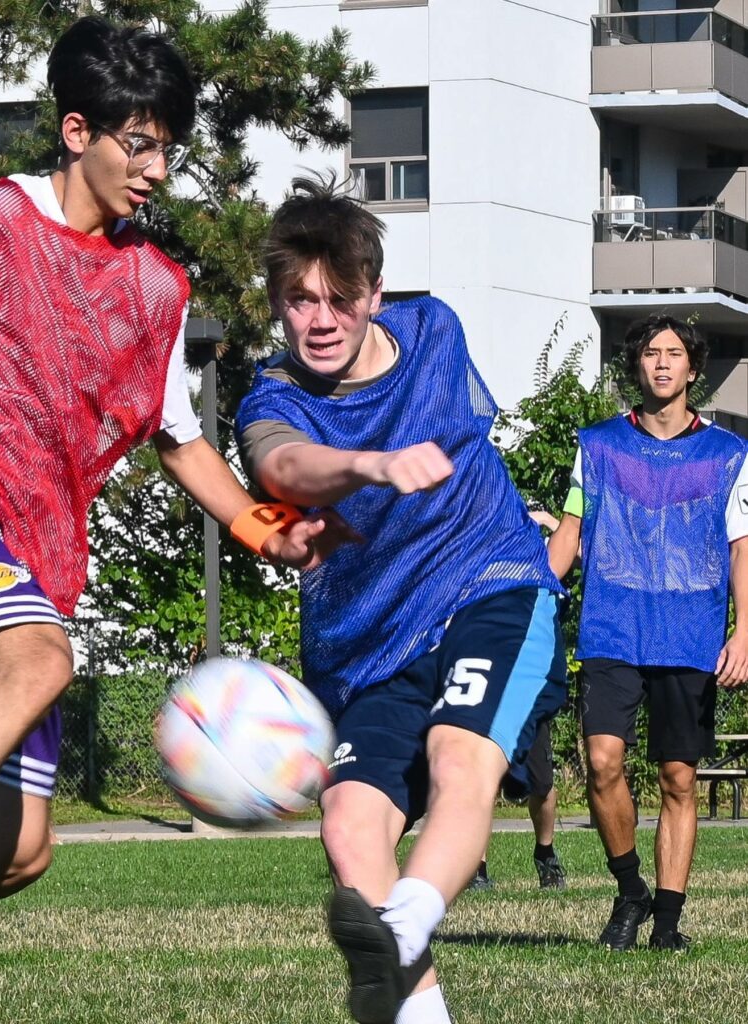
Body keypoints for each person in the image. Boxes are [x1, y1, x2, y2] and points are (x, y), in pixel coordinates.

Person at [0, 17, 348, 921]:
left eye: (170, 150)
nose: (157, 169)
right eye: (140, 144)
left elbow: (182, 442)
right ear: (77, 132)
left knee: (19, 847)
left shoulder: (156, 289)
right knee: (39, 661)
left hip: (34, 555)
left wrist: (269, 528)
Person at [236, 174, 568, 1024]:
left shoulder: (435, 333)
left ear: (375, 295)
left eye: (339, 299)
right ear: (277, 301)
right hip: (365, 645)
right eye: (298, 299)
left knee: (461, 762)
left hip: (486, 586)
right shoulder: (269, 402)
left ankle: (406, 919)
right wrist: (370, 465)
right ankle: (421, 1006)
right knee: (348, 830)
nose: (318, 319)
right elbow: (280, 471)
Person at [545, 313, 748, 952]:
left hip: (691, 632)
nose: (662, 363)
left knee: (678, 778)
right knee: (603, 764)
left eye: (675, 353)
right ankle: (629, 888)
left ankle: (665, 922)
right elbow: (570, 534)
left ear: (694, 368)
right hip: (613, 625)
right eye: (651, 353)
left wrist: (744, 633)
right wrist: (528, 597)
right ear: (636, 366)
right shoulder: (598, 445)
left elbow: (742, 548)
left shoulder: (728, 455)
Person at [469, 720, 567, 891]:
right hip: (490, 703)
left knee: (542, 785)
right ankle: (477, 870)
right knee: (483, 782)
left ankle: (546, 856)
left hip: (529, 706)